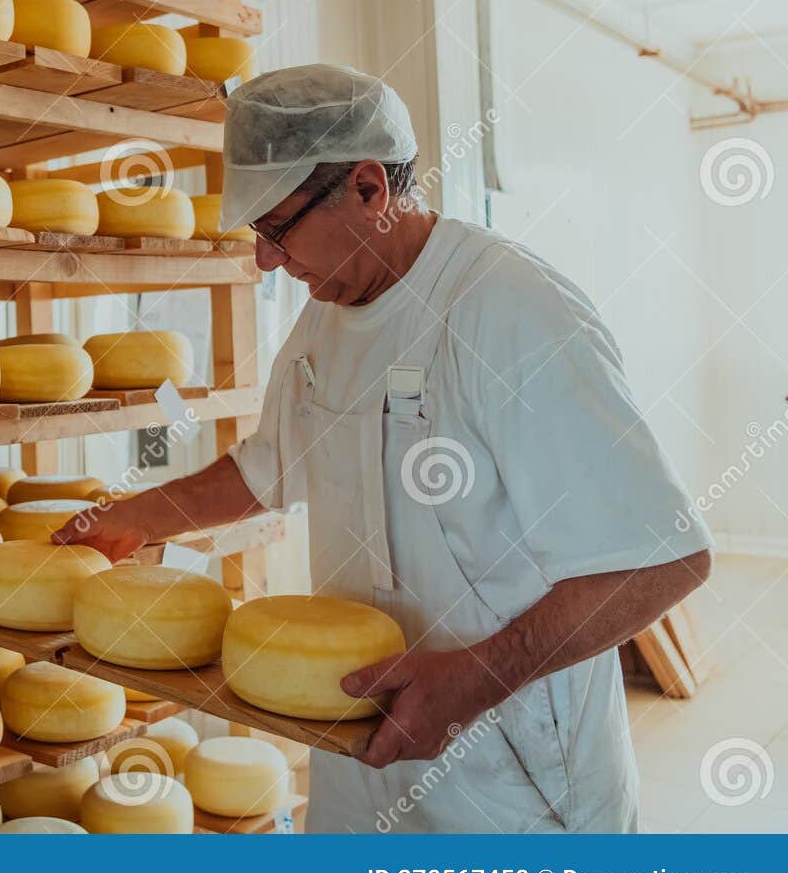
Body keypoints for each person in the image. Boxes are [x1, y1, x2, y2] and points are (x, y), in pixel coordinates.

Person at [53, 64, 711, 833]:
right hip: (359, 763)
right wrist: (133, 516)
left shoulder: (512, 311)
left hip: (513, 783)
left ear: (369, 189)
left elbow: (662, 557)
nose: (266, 260)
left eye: (276, 228)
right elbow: (266, 468)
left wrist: (474, 679)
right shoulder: (322, 327)